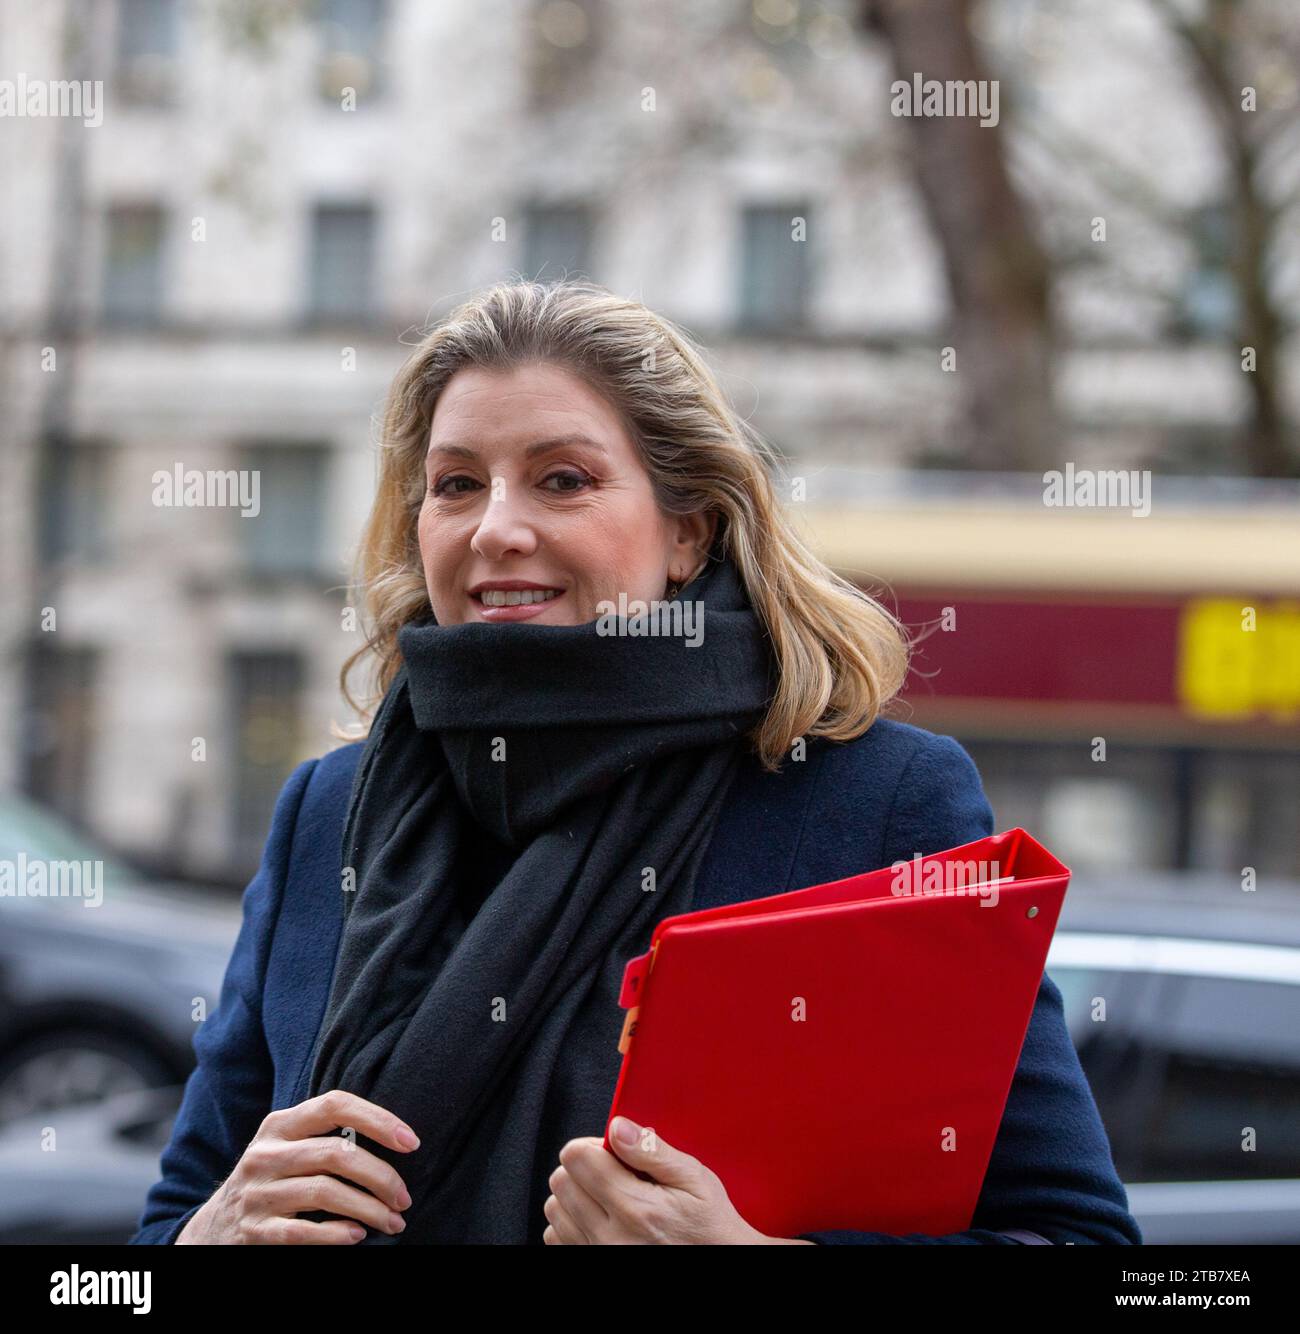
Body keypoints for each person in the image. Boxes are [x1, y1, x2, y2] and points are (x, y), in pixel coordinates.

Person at [131, 278, 1141, 1246]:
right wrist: (214, 1227)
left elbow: (1072, 1226)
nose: (496, 527)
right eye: (455, 484)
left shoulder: (876, 803)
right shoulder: (329, 810)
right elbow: (180, 1201)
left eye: (562, 479)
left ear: (688, 529)